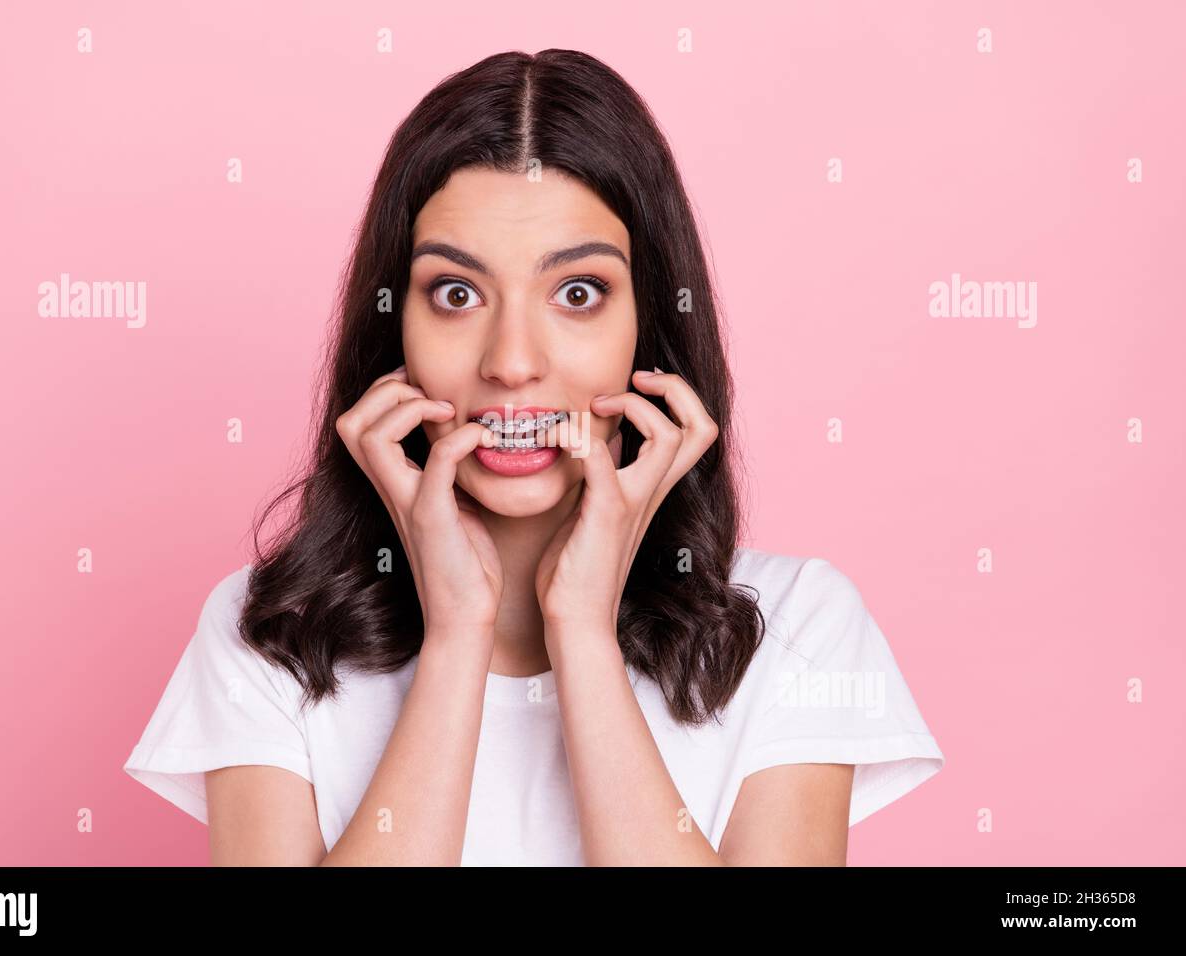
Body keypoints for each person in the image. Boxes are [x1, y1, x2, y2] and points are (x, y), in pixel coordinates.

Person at [123, 48, 944, 866]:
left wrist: (581, 632)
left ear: (646, 333)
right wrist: (456, 637)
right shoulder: (270, 638)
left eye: (578, 293)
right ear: (394, 331)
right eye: (456, 293)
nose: (512, 362)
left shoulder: (795, 630)